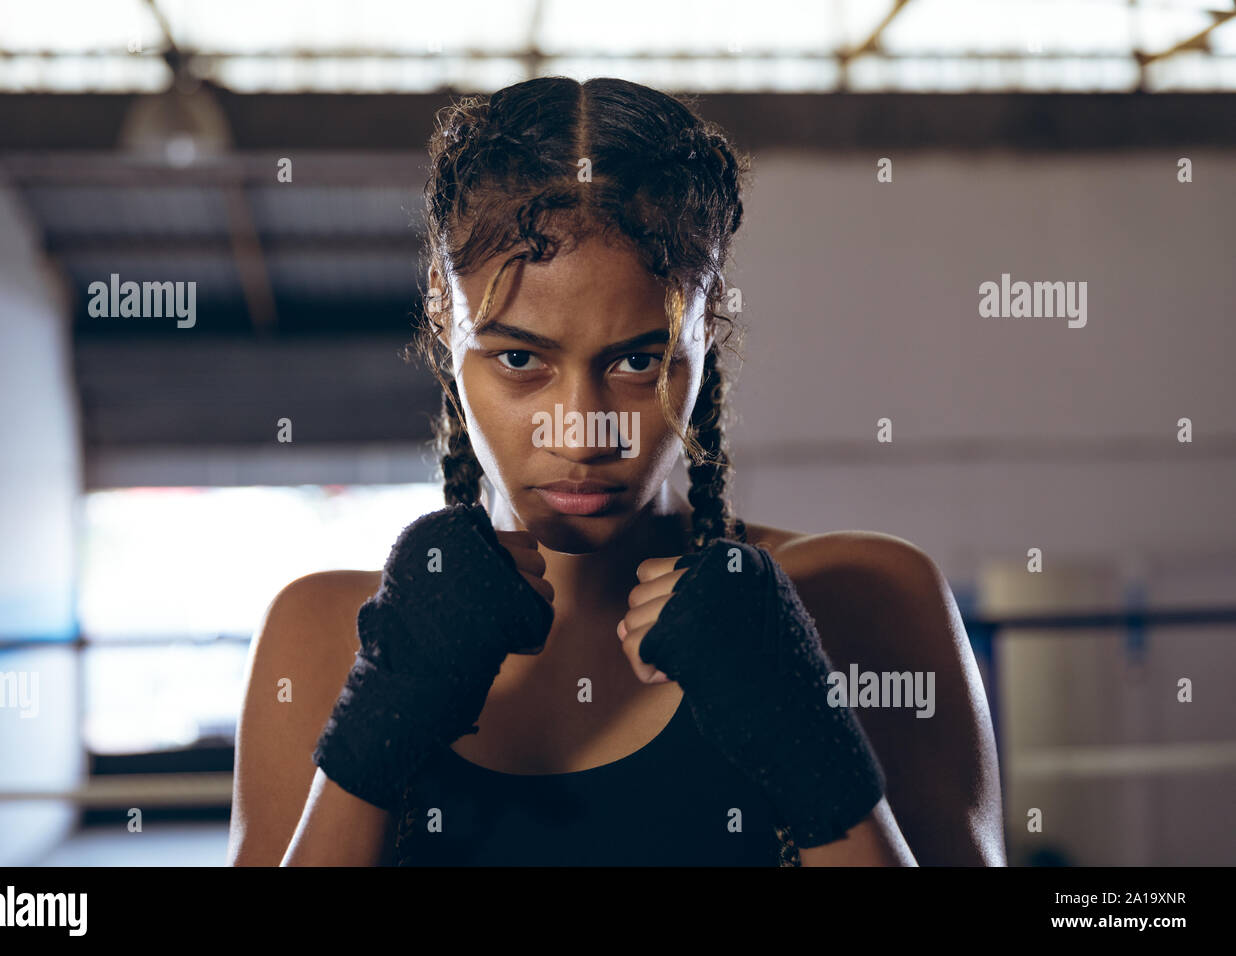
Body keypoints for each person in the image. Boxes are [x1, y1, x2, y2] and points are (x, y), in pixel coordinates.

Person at [227, 76, 1005, 867]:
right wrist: (379, 728)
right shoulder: (322, 633)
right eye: (521, 359)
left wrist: (808, 745)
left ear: (707, 323)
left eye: (639, 360)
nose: (583, 430)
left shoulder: (862, 595)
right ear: (440, 308)